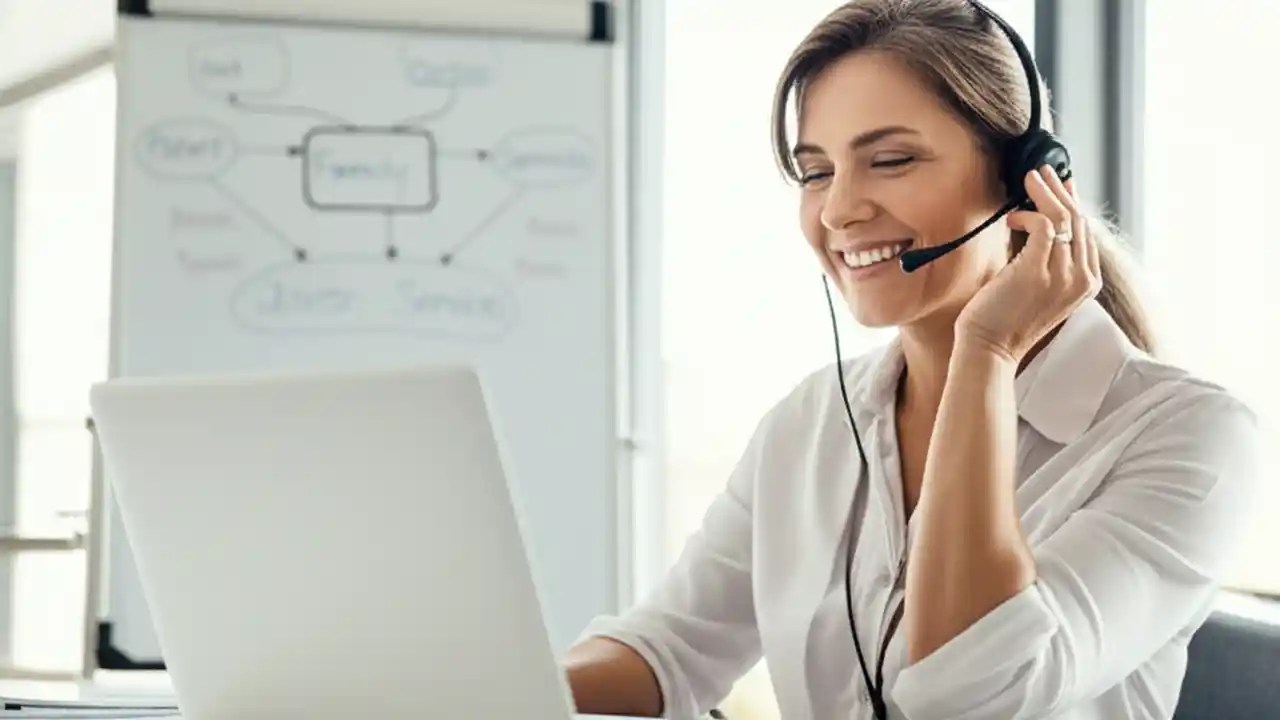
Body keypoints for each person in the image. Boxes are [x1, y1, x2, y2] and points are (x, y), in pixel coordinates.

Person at [563, 0, 1260, 718]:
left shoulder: (1191, 435)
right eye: (816, 173)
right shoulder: (811, 422)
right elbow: (671, 649)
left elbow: (974, 696)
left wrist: (985, 356)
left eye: (890, 161)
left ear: (1028, 182)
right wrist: (485, 683)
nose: (838, 211)